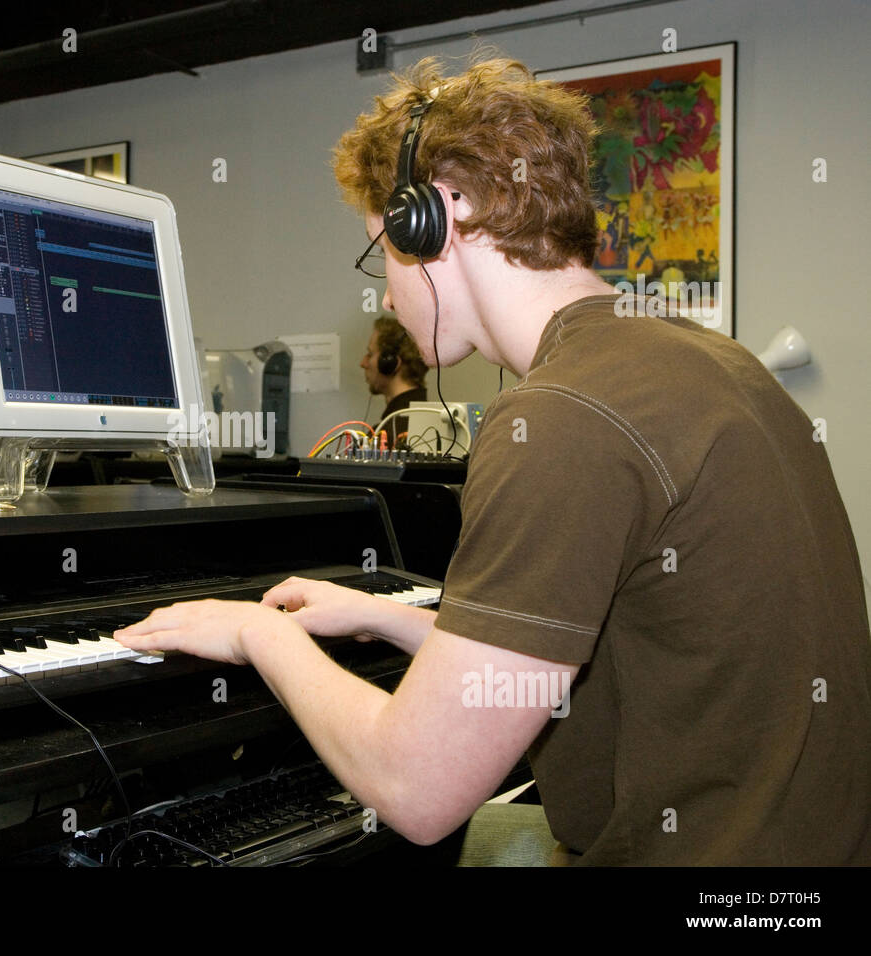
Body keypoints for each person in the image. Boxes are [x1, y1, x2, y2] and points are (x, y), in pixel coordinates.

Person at [115, 55, 871, 864]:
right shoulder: (711, 364)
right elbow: (596, 651)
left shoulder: (558, 416)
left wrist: (257, 637)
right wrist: (391, 619)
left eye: (383, 255)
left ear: (438, 215)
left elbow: (417, 789)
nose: (390, 300)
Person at [361, 315, 427, 447]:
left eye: (370, 354)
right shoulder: (431, 422)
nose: (363, 363)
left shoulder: (384, 438)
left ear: (391, 363)